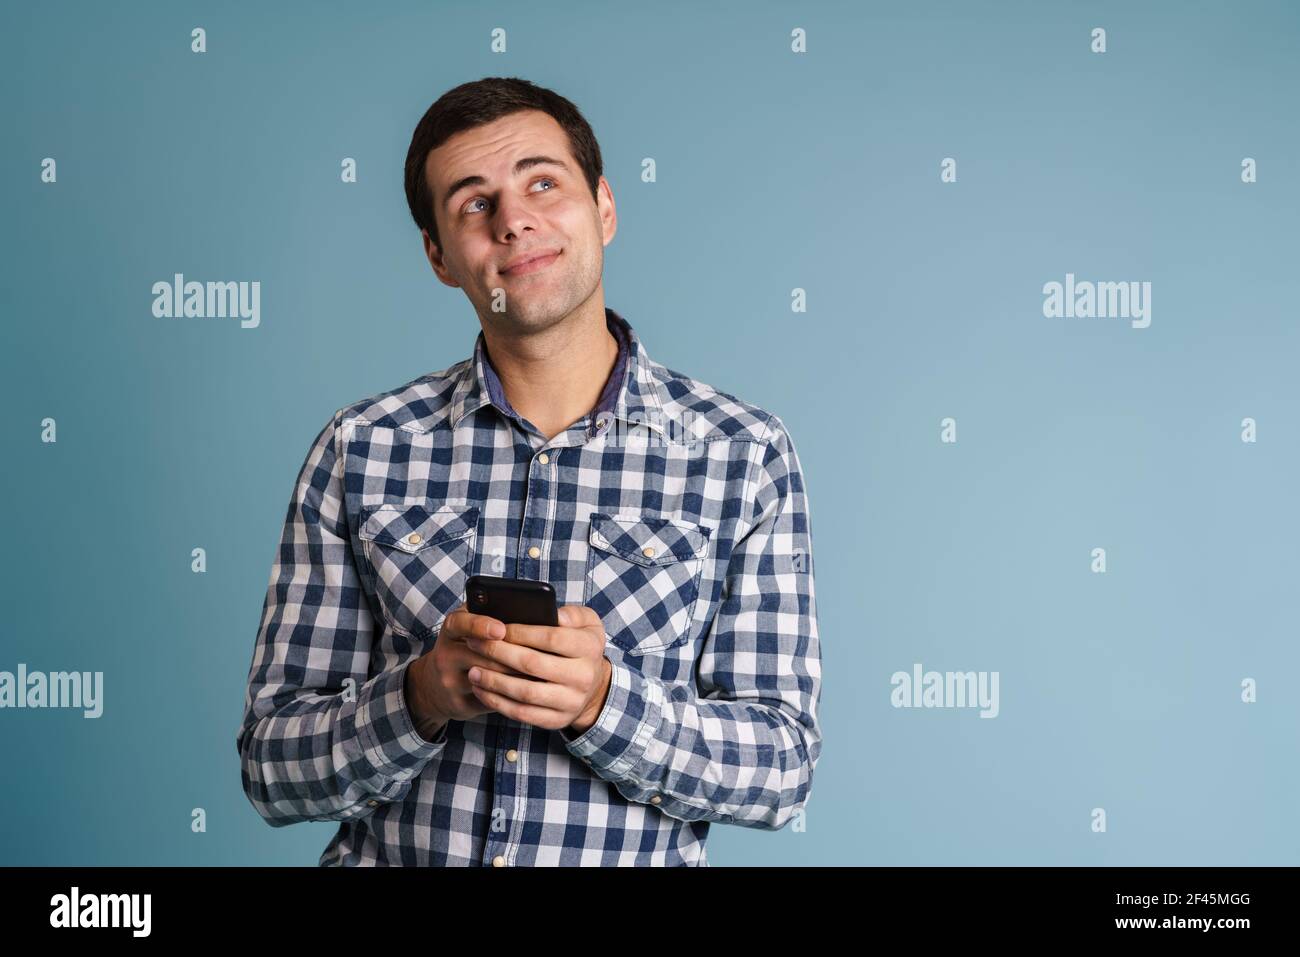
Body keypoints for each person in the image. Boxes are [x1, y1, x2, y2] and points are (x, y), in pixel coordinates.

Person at [236, 76, 822, 866]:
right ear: (440, 256)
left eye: (543, 182)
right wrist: (421, 697)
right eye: (474, 204)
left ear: (605, 207)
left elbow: (782, 770)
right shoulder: (360, 448)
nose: (515, 220)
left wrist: (603, 703)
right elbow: (272, 769)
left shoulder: (743, 454)